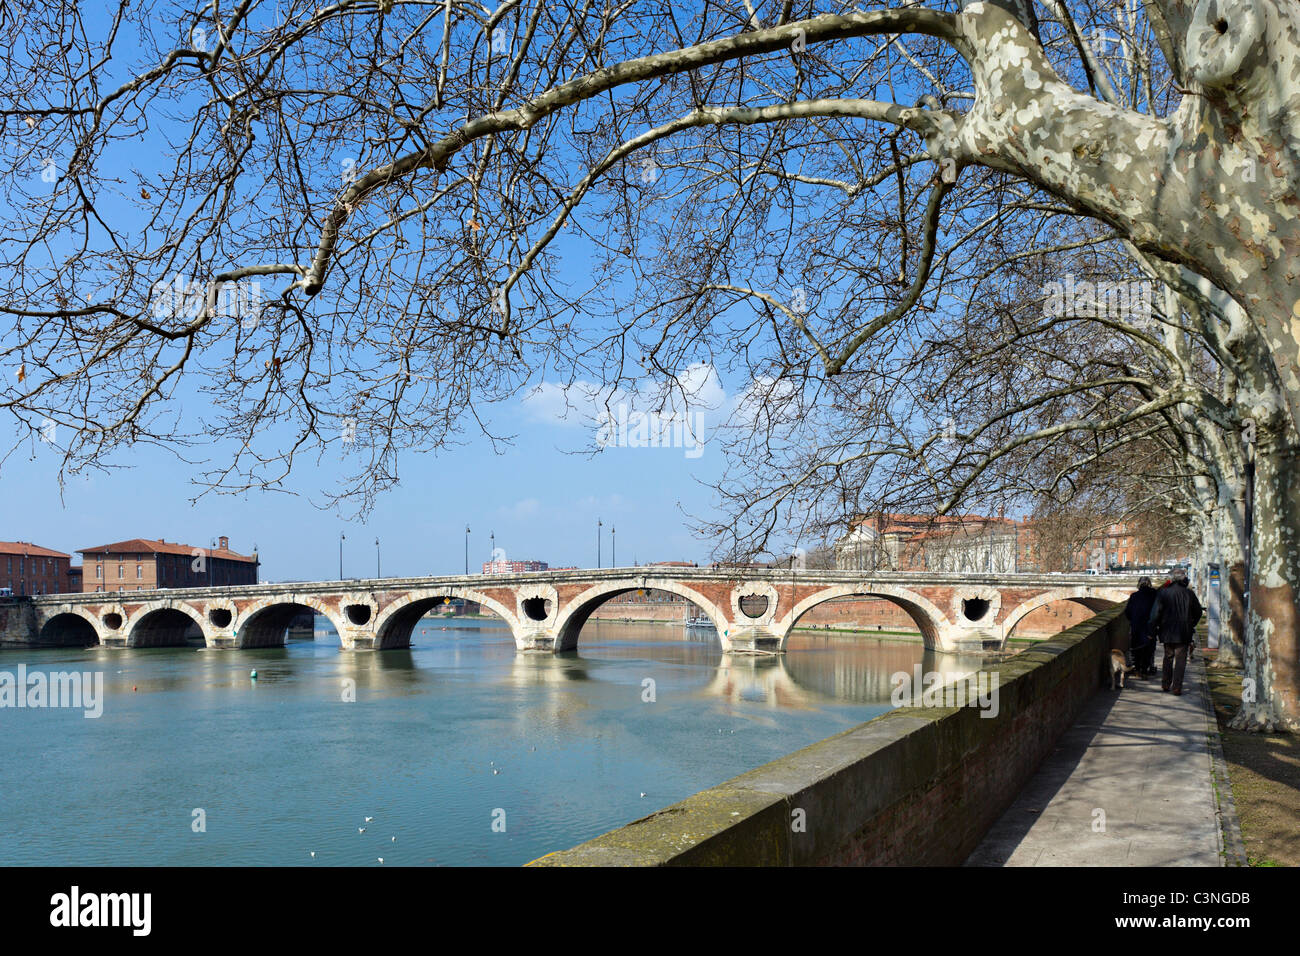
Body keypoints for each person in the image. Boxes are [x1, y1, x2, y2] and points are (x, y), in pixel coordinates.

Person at [1148, 568, 1203, 695]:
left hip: (1167, 630)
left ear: (1171, 578)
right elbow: (1198, 612)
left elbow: (1155, 614)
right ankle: (1177, 687)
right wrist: (1191, 624)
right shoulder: (1189, 594)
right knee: (1180, 660)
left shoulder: (1163, 593)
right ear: (1183, 578)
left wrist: (1152, 630)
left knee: (1168, 657)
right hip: (1184, 632)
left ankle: (1166, 683)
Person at [1125, 576, 1158, 678]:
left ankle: (1138, 669)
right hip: (1150, 627)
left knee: (1137, 648)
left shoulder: (1134, 596)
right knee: (1149, 649)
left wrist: (1133, 620)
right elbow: (1158, 611)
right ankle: (1145, 669)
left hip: (1137, 627)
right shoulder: (1155, 595)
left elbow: (1127, 612)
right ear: (1149, 584)